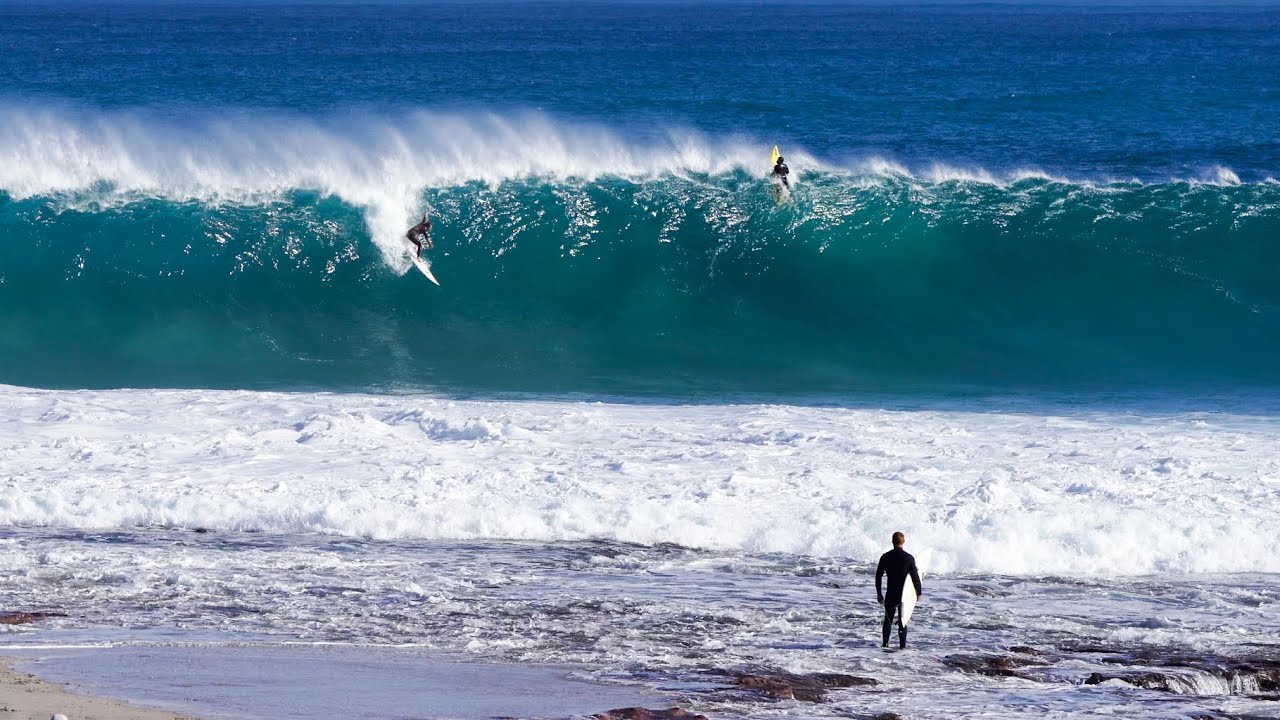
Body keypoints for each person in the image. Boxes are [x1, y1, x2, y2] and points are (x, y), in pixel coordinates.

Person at [875, 531, 922, 649]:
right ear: (903, 542)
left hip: (890, 593)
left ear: (892, 542)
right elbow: (915, 578)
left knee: (888, 620)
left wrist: (879, 593)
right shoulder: (909, 558)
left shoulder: (885, 557)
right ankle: (902, 648)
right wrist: (918, 592)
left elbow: (878, 576)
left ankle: (885, 644)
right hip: (904, 595)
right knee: (903, 621)